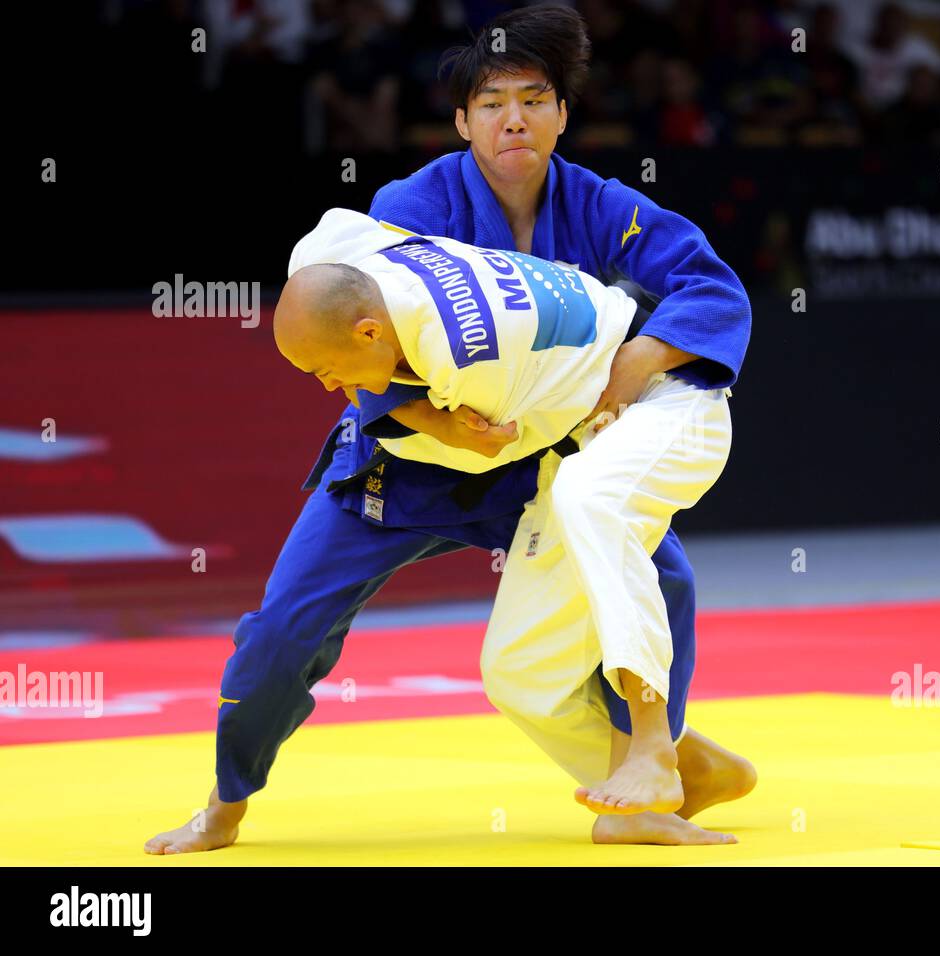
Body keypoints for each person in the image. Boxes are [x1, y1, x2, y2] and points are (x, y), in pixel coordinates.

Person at [144, 4, 754, 854]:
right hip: (410, 464)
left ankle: (653, 773)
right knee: (285, 626)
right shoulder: (409, 203)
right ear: (462, 120)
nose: (515, 119)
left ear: (563, 115)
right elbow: (347, 346)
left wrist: (641, 360)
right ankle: (227, 801)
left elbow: (713, 289)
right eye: (494, 102)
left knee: (662, 569)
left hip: (535, 458)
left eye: (535, 100)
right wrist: (433, 416)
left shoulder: (604, 206)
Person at [277, 210, 732, 814]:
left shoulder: (471, 359)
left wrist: (449, 430)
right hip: (584, 437)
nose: (333, 388)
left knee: (588, 499)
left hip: (671, 402)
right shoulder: (337, 250)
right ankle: (699, 771)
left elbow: (488, 449)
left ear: (367, 333)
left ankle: (651, 748)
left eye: (326, 370)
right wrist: (438, 419)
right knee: (517, 673)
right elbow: (331, 224)